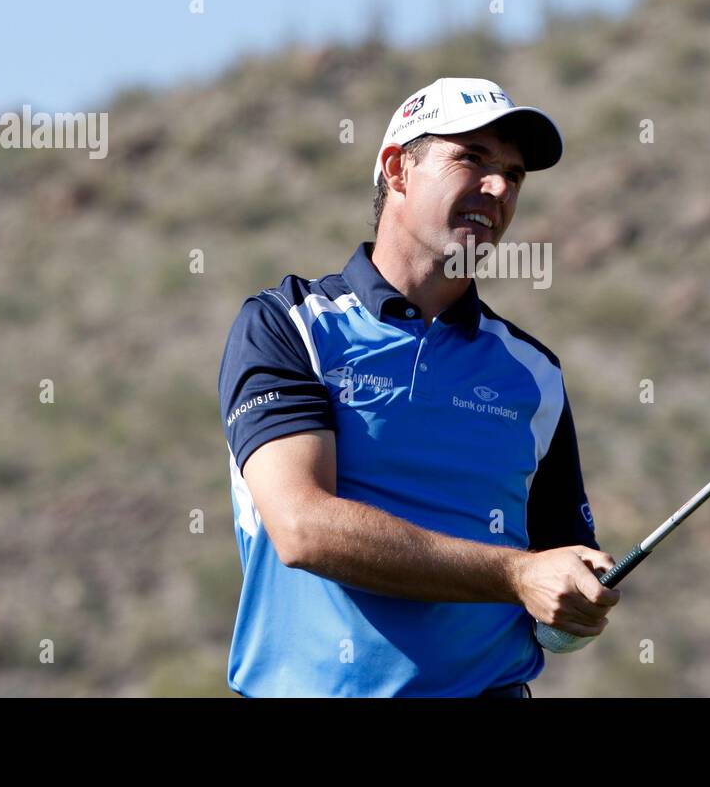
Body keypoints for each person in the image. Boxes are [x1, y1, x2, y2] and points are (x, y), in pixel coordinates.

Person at [217, 76, 620, 697]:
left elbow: (558, 567)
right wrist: (517, 575)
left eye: (514, 174)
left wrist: (576, 601)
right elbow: (302, 527)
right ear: (397, 170)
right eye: (472, 159)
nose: (498, 187)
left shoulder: (534, 373)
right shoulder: (287, 325)